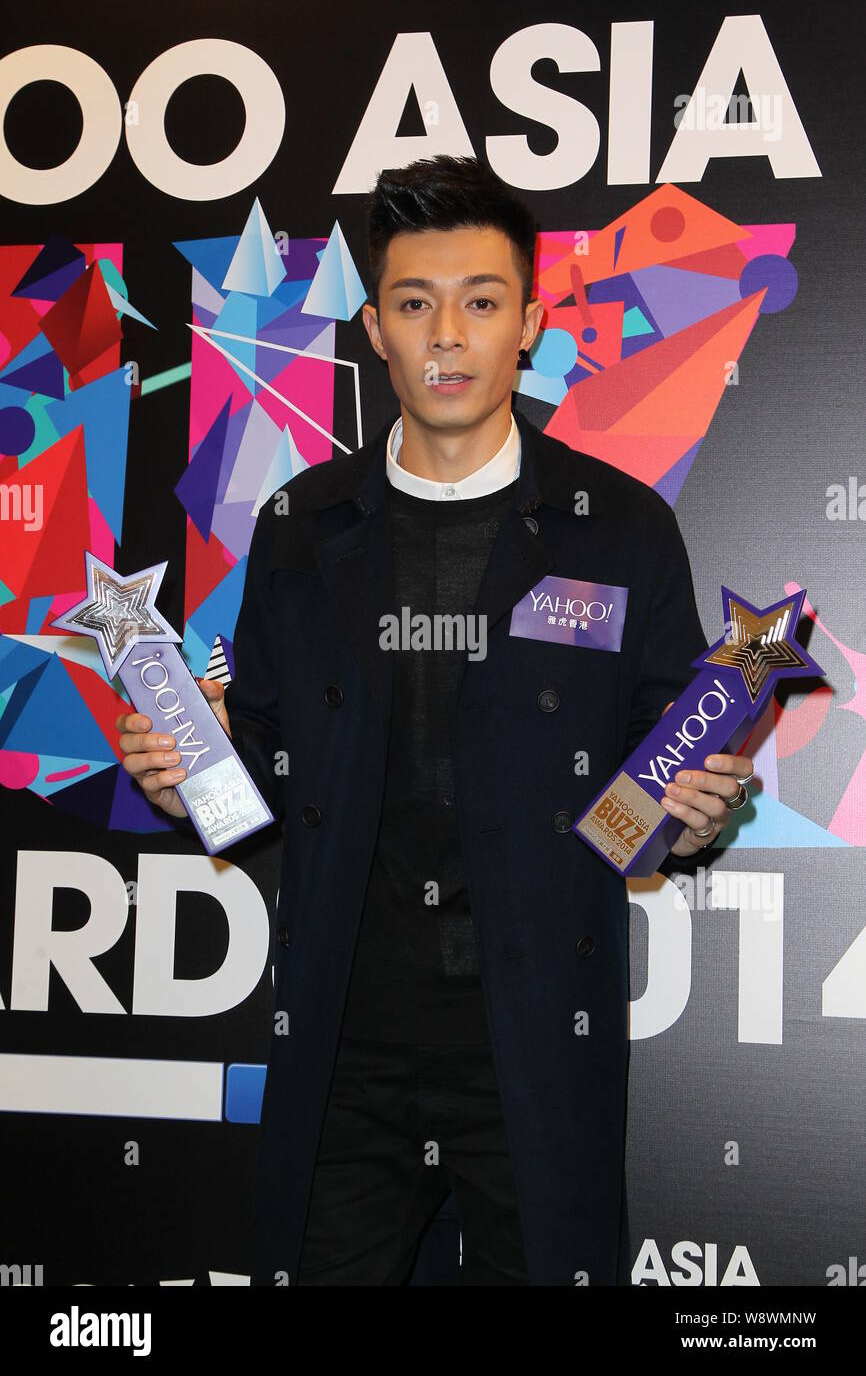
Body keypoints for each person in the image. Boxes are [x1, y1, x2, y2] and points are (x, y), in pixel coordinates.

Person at [116, 155, 753, 1286]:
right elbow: (252, 762)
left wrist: (696, 815)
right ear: (374, 328)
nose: (446, 333)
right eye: (415, 303)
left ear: (528, 324)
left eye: (479, 300)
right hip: (341, 1036)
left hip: (537, 1036)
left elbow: (668, 763)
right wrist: (181, 783)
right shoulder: (302, 525)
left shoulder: (617, 528)